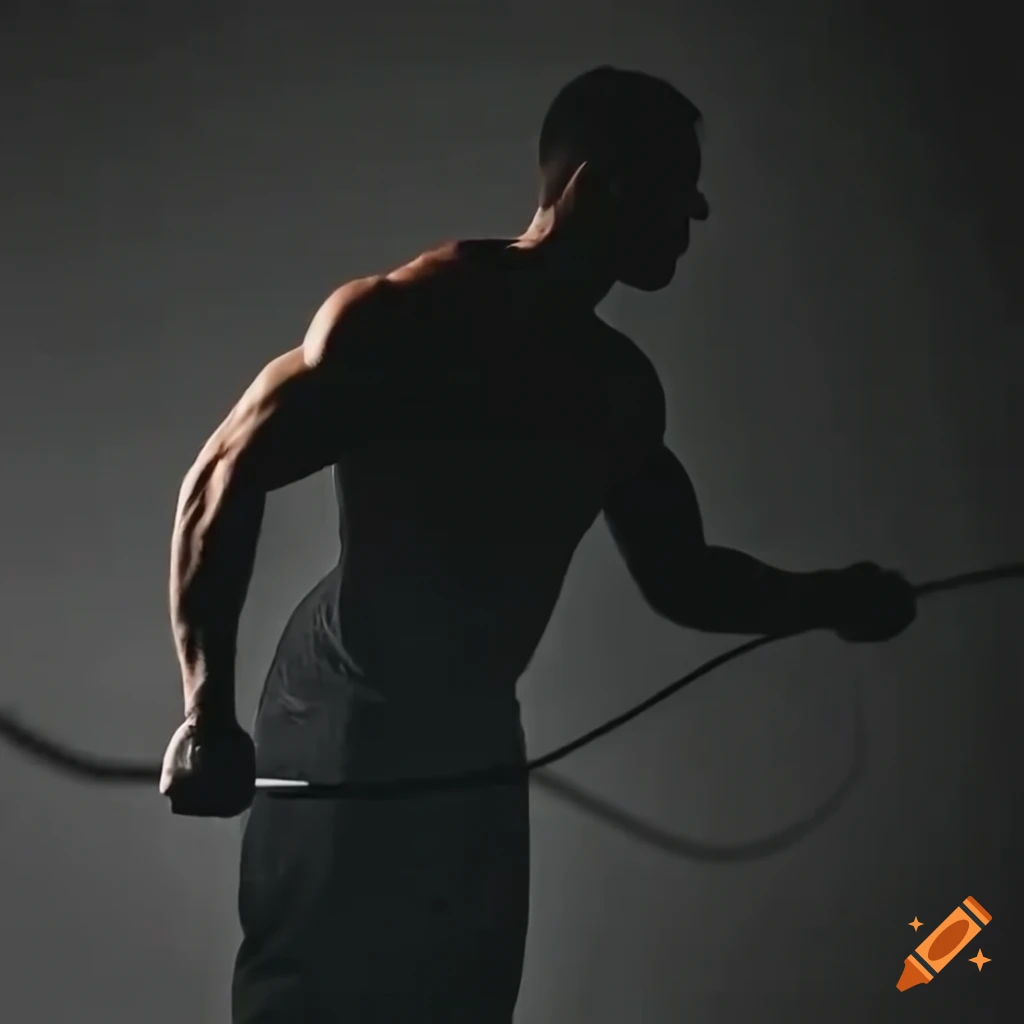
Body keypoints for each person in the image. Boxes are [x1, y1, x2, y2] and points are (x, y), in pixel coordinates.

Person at [158, 66, 917, 1023]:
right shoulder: (404, 318)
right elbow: (220, 477)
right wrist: (207, 714)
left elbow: (684, 578)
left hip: (473, 732)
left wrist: (831, 599)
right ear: (597, 188)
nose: (695, 215)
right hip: (343, 710)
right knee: (314, 1001)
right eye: (676, 192)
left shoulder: (617, 391)